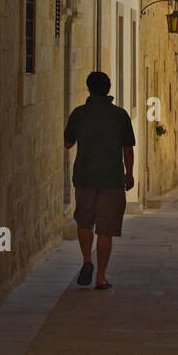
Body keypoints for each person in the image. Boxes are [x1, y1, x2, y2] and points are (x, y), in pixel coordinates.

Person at [63, 70, 135, 290]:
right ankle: (101, 277)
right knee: (106, 229)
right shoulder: (120, 115)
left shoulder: (79, 114)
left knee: (84, 222)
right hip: (111, 180)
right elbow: (127, 149)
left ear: (89, 89)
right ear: (108, 90)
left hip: (84, 177)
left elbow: (67, 143)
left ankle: (87, 260)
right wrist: (129, 173)